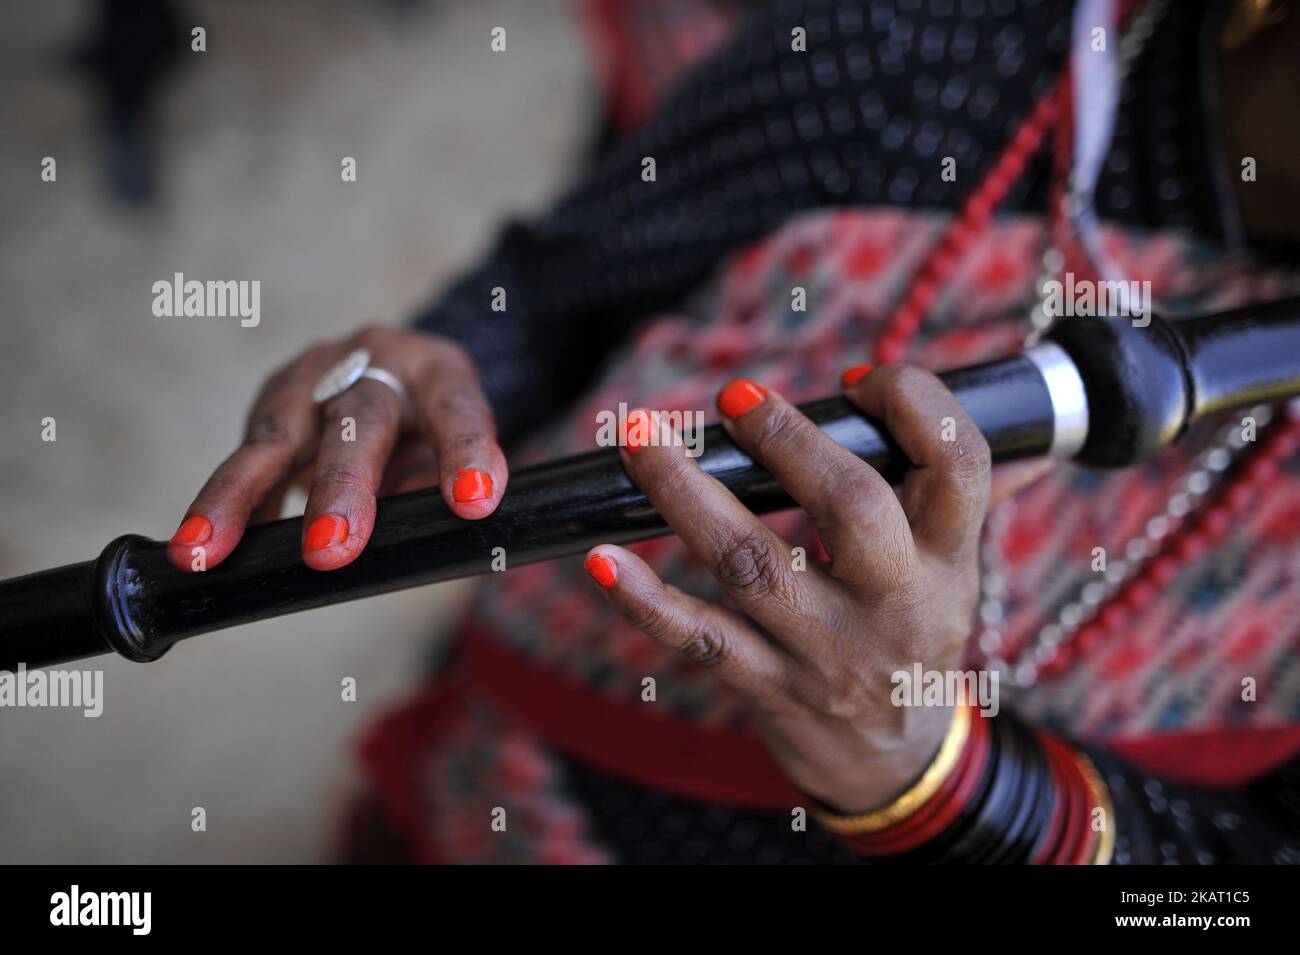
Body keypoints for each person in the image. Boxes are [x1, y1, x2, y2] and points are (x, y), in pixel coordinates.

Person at [168, 0, 1300, 863]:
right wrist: (424, 374)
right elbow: (555, 289)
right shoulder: (921, 54)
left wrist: (933, 773)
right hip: (500, 776)